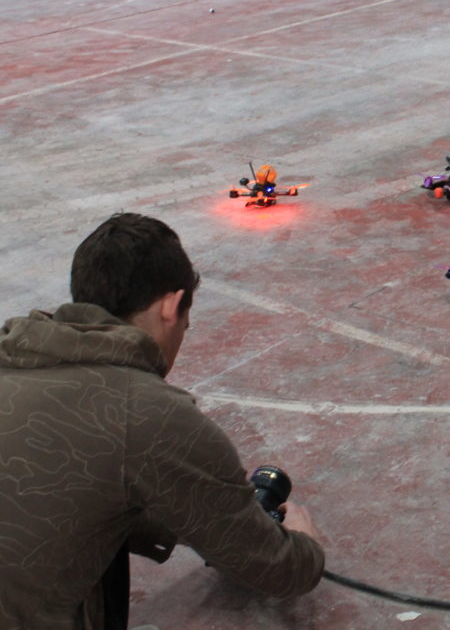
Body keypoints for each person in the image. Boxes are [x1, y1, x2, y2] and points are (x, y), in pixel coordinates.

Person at [0, 213, 325, 629]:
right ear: (172, 307)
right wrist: (303, 543)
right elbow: (279, 570)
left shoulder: (16, 356)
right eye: (185, 326)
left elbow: (68, 481)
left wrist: (193, 510)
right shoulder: (150, 413)